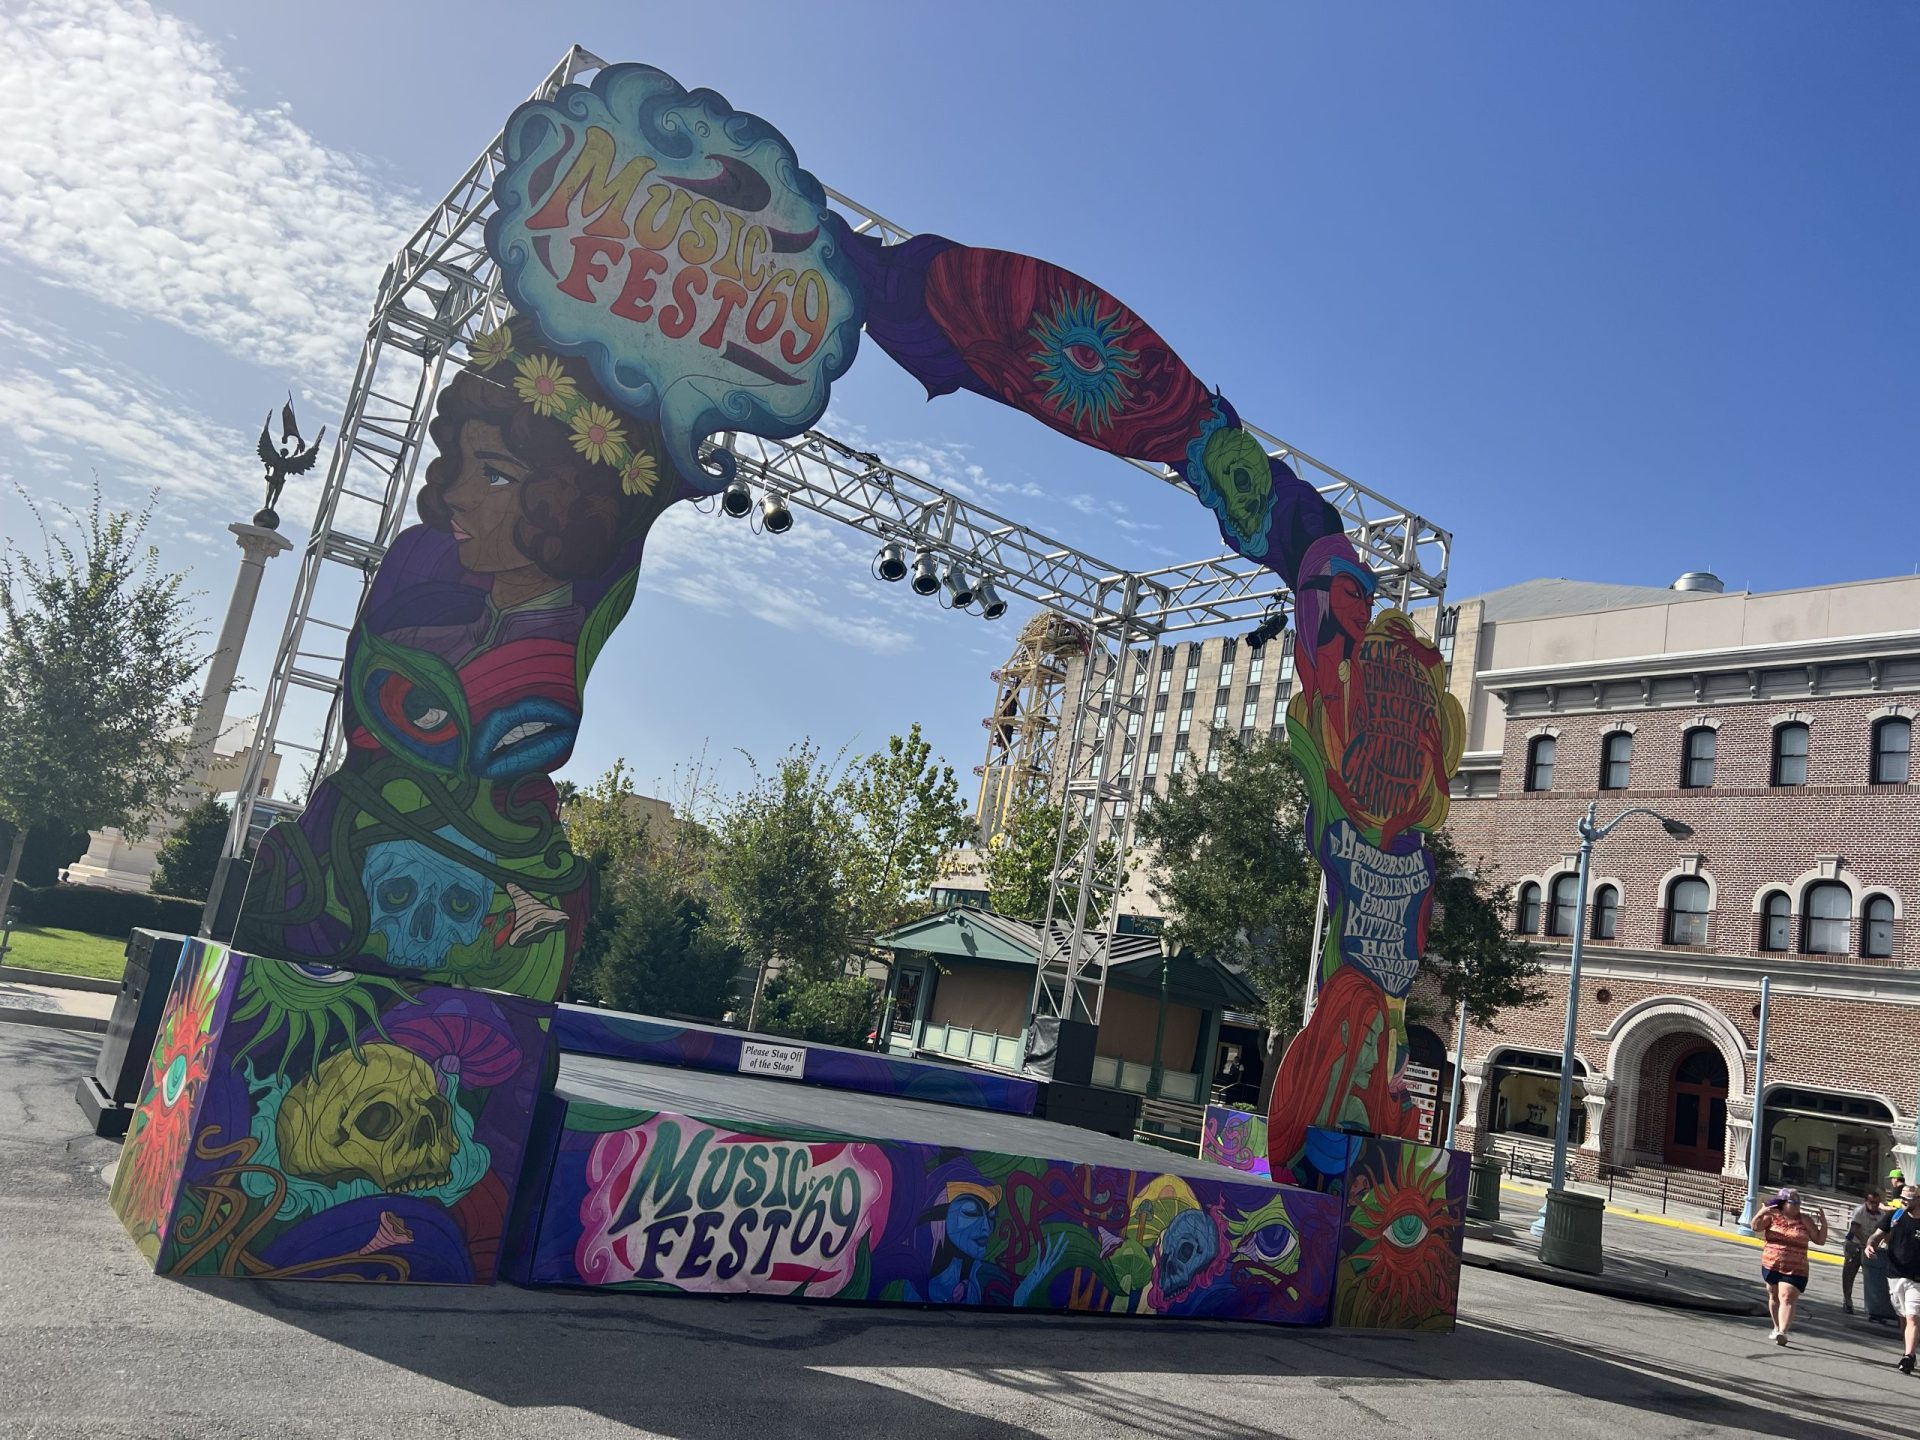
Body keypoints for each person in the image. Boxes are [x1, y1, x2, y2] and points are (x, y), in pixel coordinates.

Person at [1750, 1187, 1828, 1346]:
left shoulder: (1804, 1220)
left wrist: (1824, 1223)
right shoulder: (1772, 1217)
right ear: (1783, 1203)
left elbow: (1820, 1240)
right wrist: (1761, 1212)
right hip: (1771, 1264)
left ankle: (1783, 1332)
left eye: (1798, 1202)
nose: (1797, 1206)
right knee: (1773, 1295)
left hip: (1796, 1267)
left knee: (1786, 1296)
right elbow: (1755, 1227)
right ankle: (1776, 1326)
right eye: (1793, 1202)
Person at [1863, 1181, 1920, 1374]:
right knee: (1903, 1316)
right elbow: (1876, 1235)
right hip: (1895, 1274)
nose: (1902, 1201)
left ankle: (1909, 1356)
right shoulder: (1895, 1216)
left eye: (1907, 1198)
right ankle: (1908, 1349)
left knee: (1912, 1316)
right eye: (1901, 1197)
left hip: (1917, 1278)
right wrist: (1870, 1244)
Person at [1844, 1189, 1885, 1315]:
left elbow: (1883, 1232)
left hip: (1869, 1246)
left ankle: (1872, 1305)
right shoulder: (1860, 1211)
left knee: (1872, 1276)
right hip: (1855, 1244)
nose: (1874, 1205)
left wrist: (1875, 1244)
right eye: (1872, 1202)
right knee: (1849, 1273)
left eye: (1877, 1203)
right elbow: (1855, 1228)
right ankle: (1847, 1300)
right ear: (1866, 1201)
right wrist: (1865, 1242)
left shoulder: (1881, 1215)